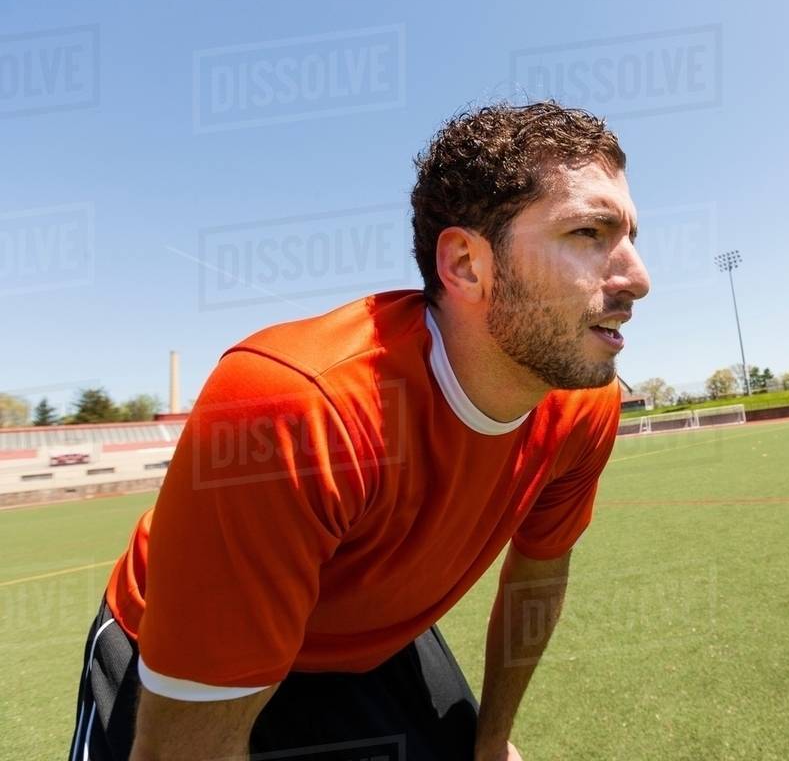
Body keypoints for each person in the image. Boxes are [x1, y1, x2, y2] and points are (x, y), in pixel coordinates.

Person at [68, 101, 651, 761]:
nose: (638, 277)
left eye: (631, 235)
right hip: (184, 657)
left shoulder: (581, 404)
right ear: (465, 264)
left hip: (370, 640)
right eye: (588, 234)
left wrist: (490, 744)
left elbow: (535, 582)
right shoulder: (292, 408)